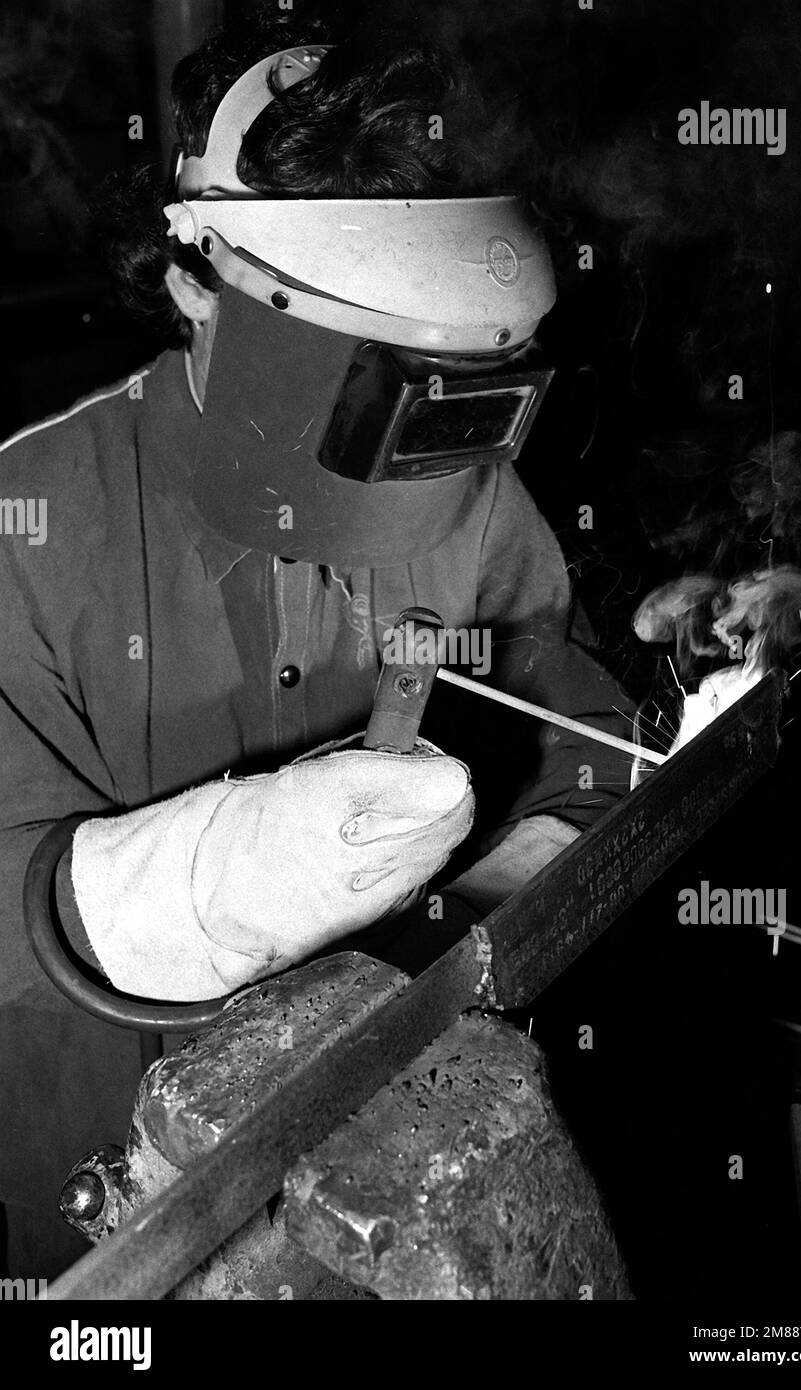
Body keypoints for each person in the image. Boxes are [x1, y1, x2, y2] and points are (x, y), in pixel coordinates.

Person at [0, 23, 635, 1277]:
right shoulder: (24, 529)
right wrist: (201, 881)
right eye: (367, 371)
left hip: (391, 1173)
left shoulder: (473, 490)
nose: (429, 444)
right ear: (198, 280)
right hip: (116, 1211)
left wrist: (530, 856)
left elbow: (557, 711)